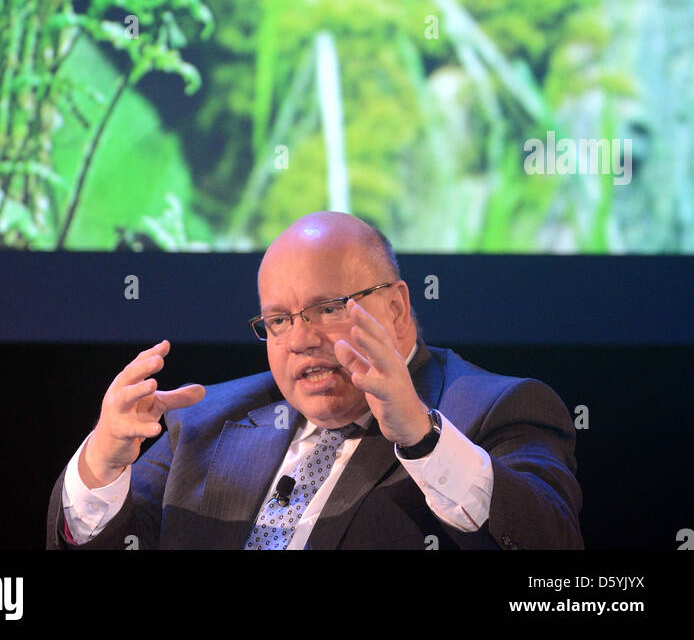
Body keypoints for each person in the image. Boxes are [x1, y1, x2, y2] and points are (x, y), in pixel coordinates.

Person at [46, 211, 583, 549]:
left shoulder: (495, 409)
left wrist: (423, 439)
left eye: (326, 308)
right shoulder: (204, 423)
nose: (300, 338)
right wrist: (101, 463)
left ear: (395, 308)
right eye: (278, 320)